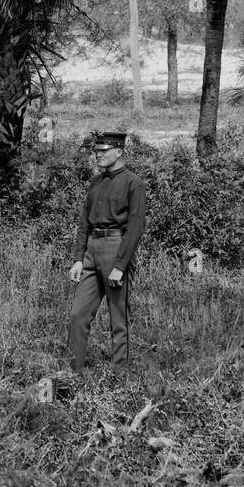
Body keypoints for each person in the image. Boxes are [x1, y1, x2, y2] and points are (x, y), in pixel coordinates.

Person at [66, 131, 147, 372]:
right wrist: (77, 259)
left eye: (103, 151)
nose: (98, 155)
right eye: (96, 151)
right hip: (92, 249)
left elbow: (135, 228)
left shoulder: (134, 183)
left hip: (116, 248)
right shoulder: (95, 181)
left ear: (119, 152)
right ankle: (73, 373)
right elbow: (84, 222)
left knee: (118, 319)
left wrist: (120, 267)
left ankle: (119, 377)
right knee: (78, 315)